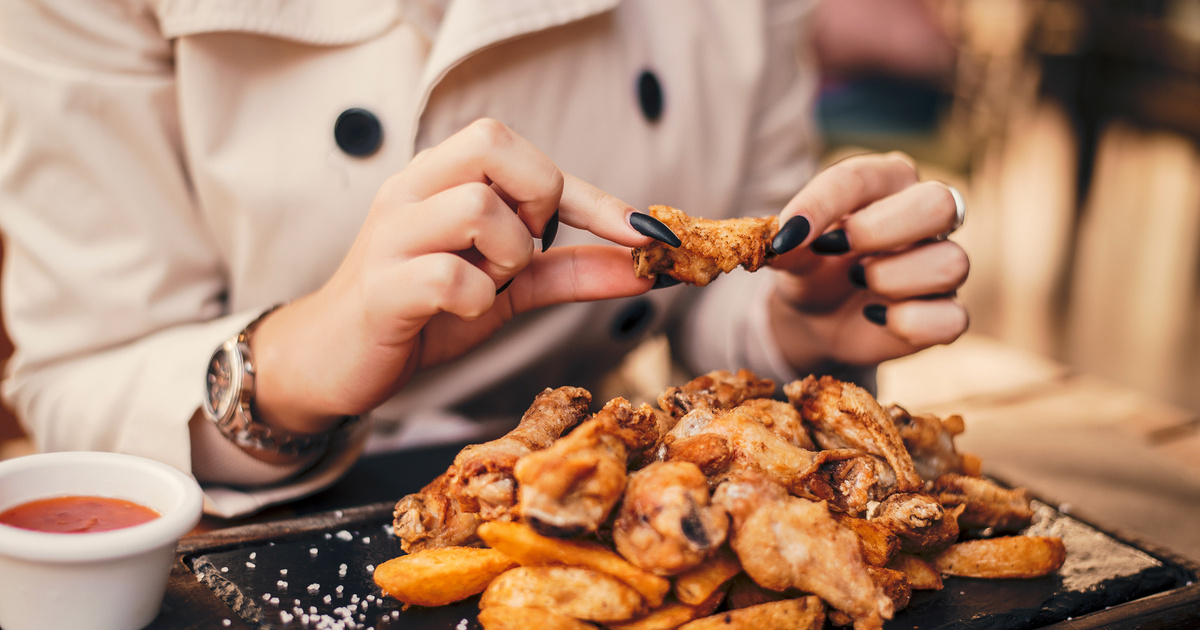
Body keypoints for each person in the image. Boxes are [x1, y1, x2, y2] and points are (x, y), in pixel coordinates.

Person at [0, 0, 969, 517]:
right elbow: (79, 377)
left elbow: (714, 292)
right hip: (246, 521)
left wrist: (792, 321)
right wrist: (295, 364)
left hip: (600, 483)